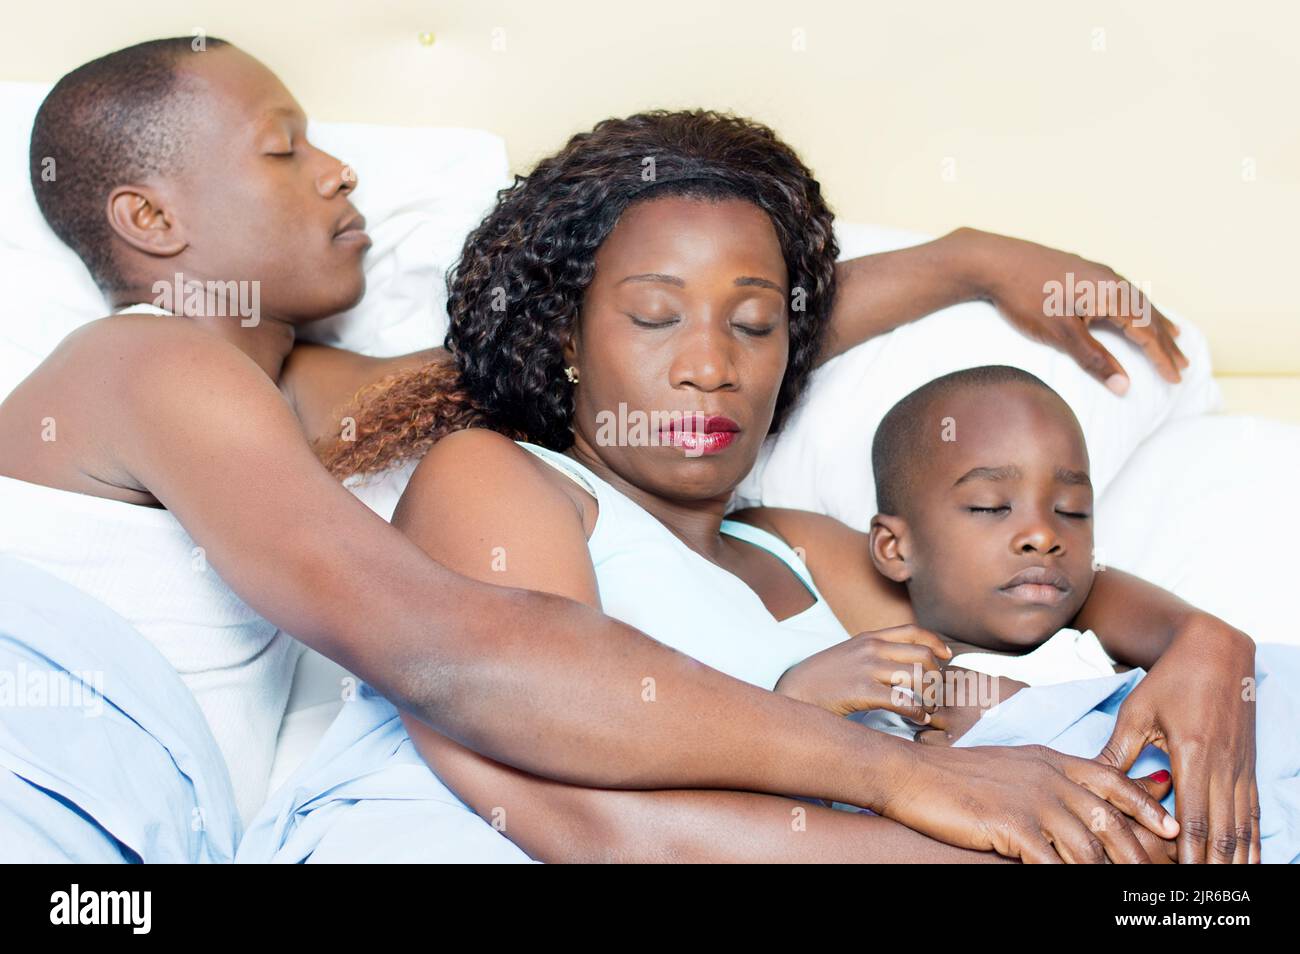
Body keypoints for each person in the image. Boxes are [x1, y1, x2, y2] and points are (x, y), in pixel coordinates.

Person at [288, 110, 1259, 862]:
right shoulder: (502, 478)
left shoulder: (808, 550)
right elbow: (587, 812)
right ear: (564, 341)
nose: (711, 366)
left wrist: (1202, 641)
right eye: (655, 318)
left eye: (753, 327)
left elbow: (1019, 577)